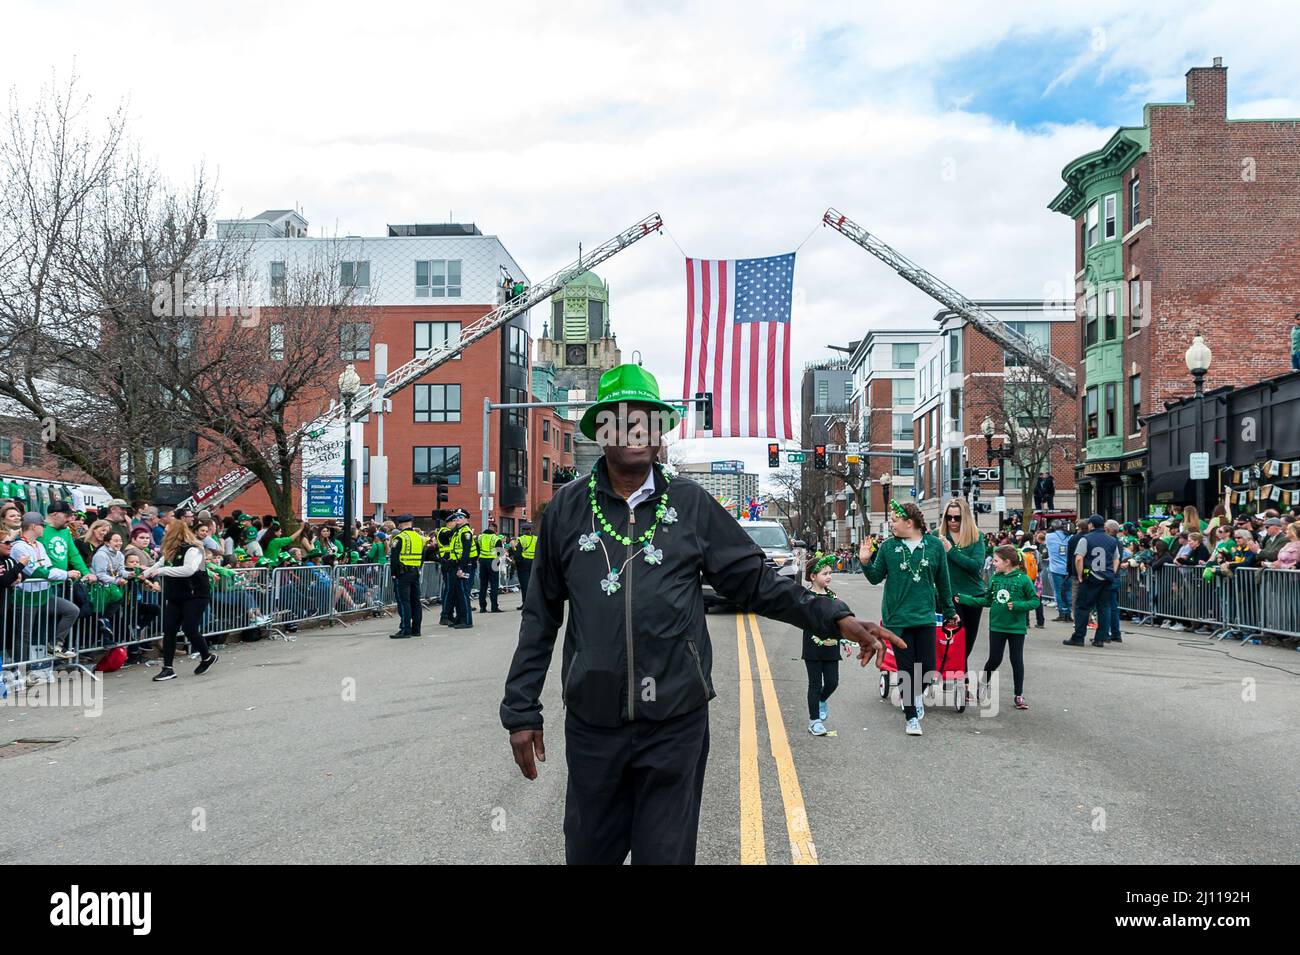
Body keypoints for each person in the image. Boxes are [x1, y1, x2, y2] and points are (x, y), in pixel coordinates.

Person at [500, 363, 900, 865]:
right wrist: (521, 708)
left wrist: (833, 615)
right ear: (601, 431)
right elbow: (540, 617)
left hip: (675, 724)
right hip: (593, 726)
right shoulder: (566, 510)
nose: (636, 429)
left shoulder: (691, 504)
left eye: (647, 418)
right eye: (621, 419)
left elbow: (755, 582)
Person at [860, 499, 958, 737]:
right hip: (897, 619)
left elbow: (944, 583)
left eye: (894, 520)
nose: (891, 524)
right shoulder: (888, 547)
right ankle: (911, 717)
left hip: (924, 616)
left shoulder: (934, 546)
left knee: (928, 667)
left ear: (909, 522)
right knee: (905, 667)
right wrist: (865, 561)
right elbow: (875, 578)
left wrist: (949, 612)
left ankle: (914, 696)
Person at [956, 544, 1037, 710]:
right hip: (997, 626)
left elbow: (1035, 601)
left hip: (1016, 628)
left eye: (996, 560)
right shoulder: (995, 579)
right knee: (994, 659)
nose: (993, 563)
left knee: (1016, 660)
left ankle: (1018, 695)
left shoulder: (1023, 580)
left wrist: (1018, 605)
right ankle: (983, 683)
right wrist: (965, 599)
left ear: (1007, 562)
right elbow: (987, 601)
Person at [142, 519, 217, 681]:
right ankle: (167, 668)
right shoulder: (170, 551)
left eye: (167, 531)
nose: (164, 534)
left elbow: (188, 570)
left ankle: (207, 656)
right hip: (176, 594)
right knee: (169, 629)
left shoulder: (194, 550)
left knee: (189, 628)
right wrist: (143, 574)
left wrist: (163, 571)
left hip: (195, 594)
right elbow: (158, 565)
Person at [10, 513, 80, 676]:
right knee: (23, 636)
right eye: (42, 525)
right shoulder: (19, 546)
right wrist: (66, 575)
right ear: (33, 526)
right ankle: (22, 672)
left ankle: (55, 644)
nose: (44, 528)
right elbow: (36, 571)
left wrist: (63, 573)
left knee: (71, 610)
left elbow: (48, 568)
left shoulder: (38, 545)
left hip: (43, 595)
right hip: (26, 598)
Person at [937, 497, 985, 691]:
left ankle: (955, 673)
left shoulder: (976, 537)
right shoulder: (938, 537)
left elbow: (975, 566)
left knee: (968, 643)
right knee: (954, 640)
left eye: (957, 518)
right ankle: (962, 682)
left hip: (973, 596)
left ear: (965, 517)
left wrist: (951, 552)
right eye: (949, 517)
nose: (953, 522)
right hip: (949, 596)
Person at [801, 554, 844, 737]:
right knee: (815, 684)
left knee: (833, 682)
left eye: (830, 573)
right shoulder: (806, 596)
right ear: (813, 576)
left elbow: (839, 622)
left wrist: (845, 641)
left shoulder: (834, 596)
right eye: (825, 573)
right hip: (812, 647)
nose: (829, 577)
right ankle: (814, 721)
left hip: (832, 646)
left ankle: (821, 700)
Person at [1064, 515, 1120, 648]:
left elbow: (1079, 558)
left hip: (1090, 576)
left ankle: (1078, 637)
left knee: (1082, 607)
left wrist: (1080, 575)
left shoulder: (1086, 539)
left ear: (1091, 525)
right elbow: (1116, 559)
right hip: (1106, 577)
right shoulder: (1112, 540)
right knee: (1104, 608)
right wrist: (1112, 572)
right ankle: (1100, 638)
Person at [389, 515, 425, 638]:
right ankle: (416, 629)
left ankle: (405, 629)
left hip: (402, 573)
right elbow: (422, 556)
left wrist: (393, 574)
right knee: (416, 601)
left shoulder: (399, 538)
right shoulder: (419, 538)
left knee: (404, 602)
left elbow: (394, 559)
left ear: (400, 524)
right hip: (415, 572)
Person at [477, 521, 503, 614]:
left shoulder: (480, 537)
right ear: (495, 530)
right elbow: (500, 553)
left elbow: (477, 550)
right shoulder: (496, 538)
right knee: (494, 585)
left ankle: (482, 607)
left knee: (483, 585)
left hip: (483, 561)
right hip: (493, 561)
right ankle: (494, 607)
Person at [511, 522, 537, 606]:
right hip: (534, 563)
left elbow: (518, 554)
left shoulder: (521, 539)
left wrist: (517, 564)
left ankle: (525, 604)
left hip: (523, 564)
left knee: (525, 585)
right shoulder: (536, 539)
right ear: (530, 530)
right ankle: (534, 604)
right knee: (533, 584)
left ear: (523, 530)